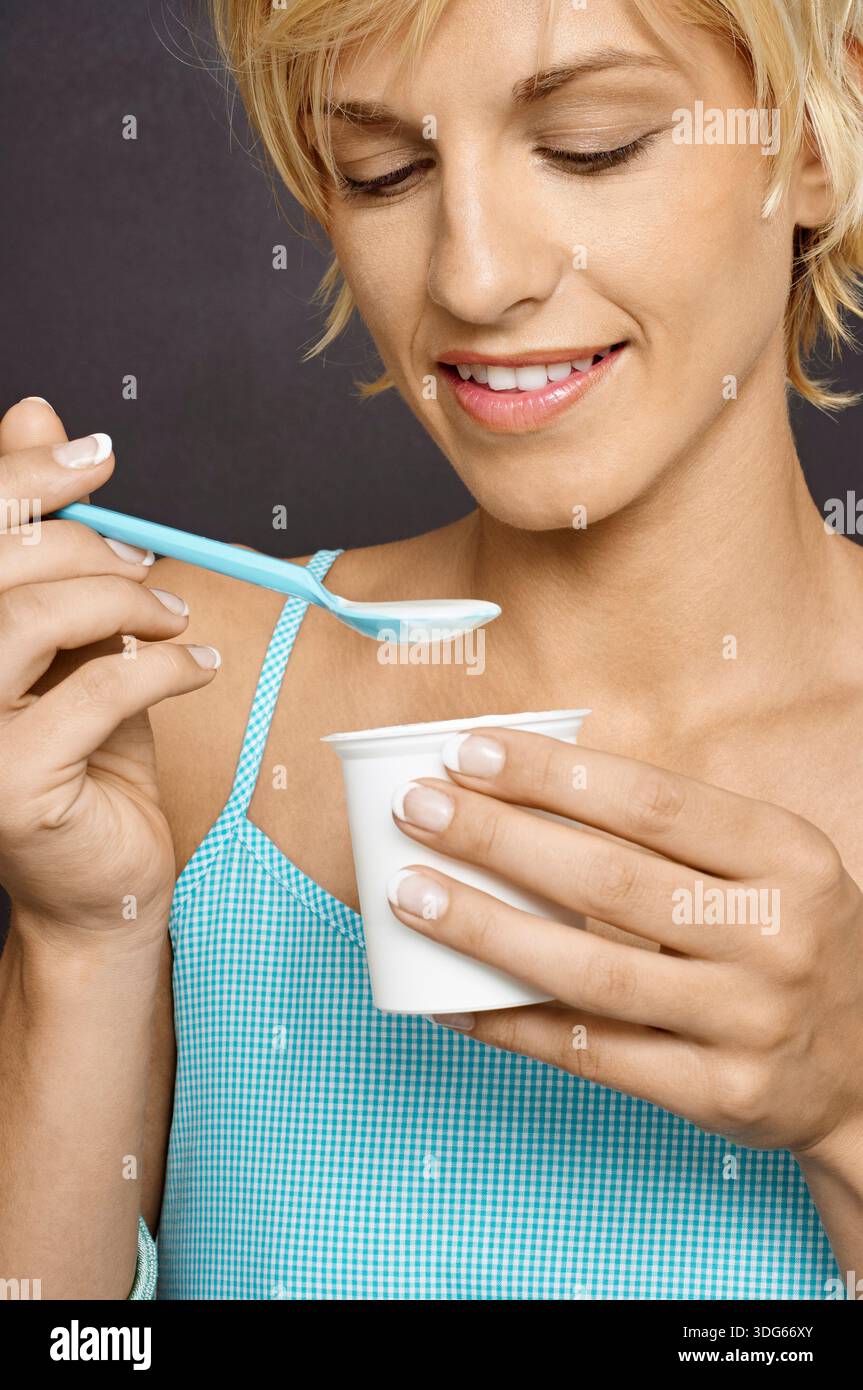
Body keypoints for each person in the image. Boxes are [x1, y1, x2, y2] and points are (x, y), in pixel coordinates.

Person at [1, 0, 862, 1300]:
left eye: (588, 143)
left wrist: (853, 1105)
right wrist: (82, 943)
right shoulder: (175, 689)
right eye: (385, 171)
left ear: (813, 138)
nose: (470, 275)